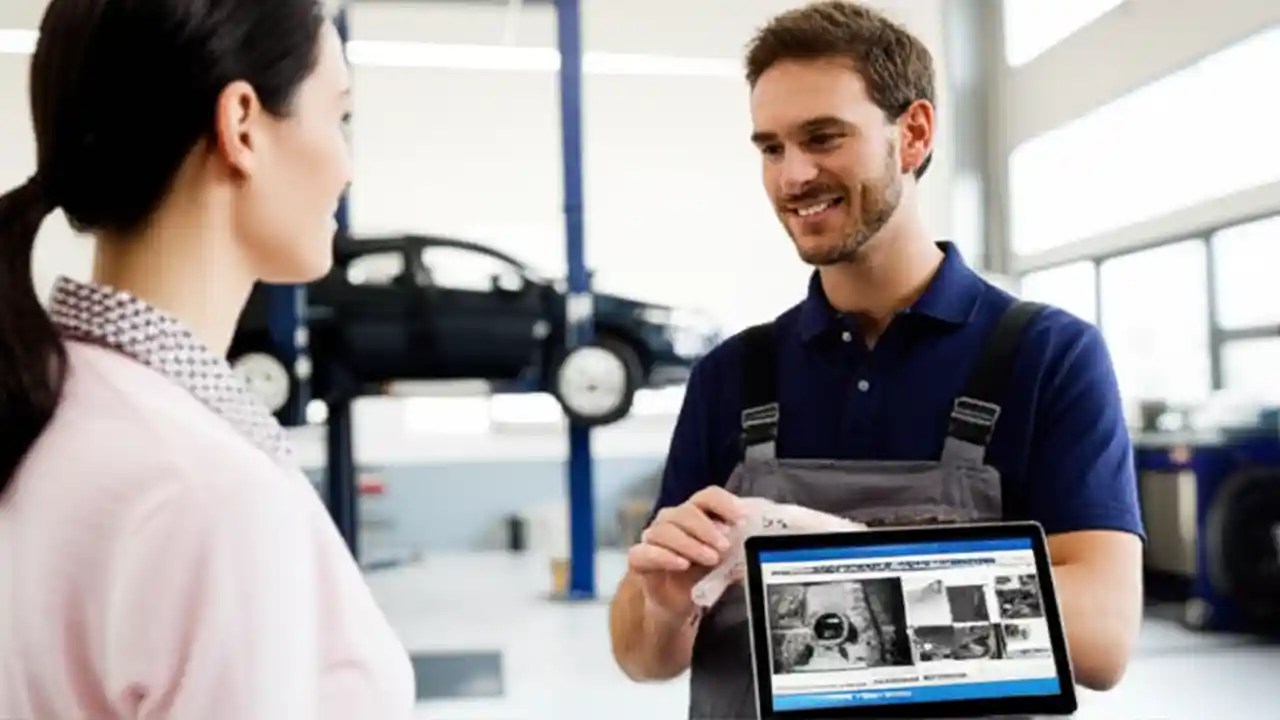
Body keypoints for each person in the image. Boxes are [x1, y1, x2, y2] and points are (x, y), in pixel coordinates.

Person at [607, 2, 1145, 717]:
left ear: (914, 133)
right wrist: (669, 608)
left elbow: (1104, 638)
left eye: (824, 138)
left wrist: (824, 551)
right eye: (770, 148)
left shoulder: (1046, 356)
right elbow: (640, 656)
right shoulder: (733, 375)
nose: (793, 175)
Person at [0, 1, 415, 718]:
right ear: (243, 124)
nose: (346, 168)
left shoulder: (48, 405)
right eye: (337, 117)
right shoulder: (206, 487)